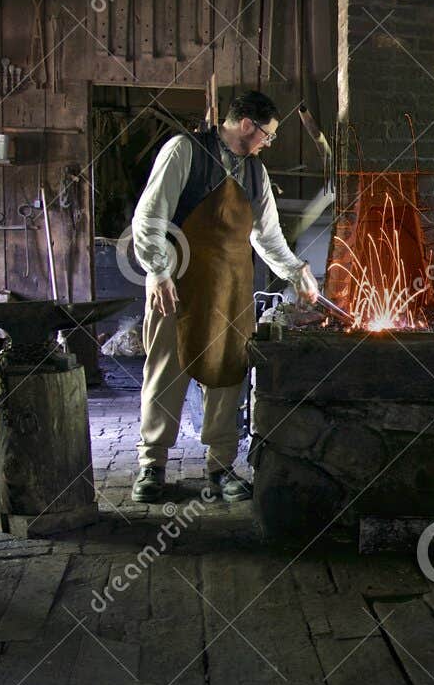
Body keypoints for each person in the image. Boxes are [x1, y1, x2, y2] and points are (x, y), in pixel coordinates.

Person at [128, 90, 319, 503]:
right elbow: (149, 217)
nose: (268, 143)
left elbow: (268, 237)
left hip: (231, 290)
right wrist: (157, 271)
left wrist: (297, 271)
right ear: (247, 125)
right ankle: (152, 465)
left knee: (228, 375)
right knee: (165, 373)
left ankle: (220, 467)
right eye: (267, 134)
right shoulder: (184, 152)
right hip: (176, 284)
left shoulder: (255, 172)